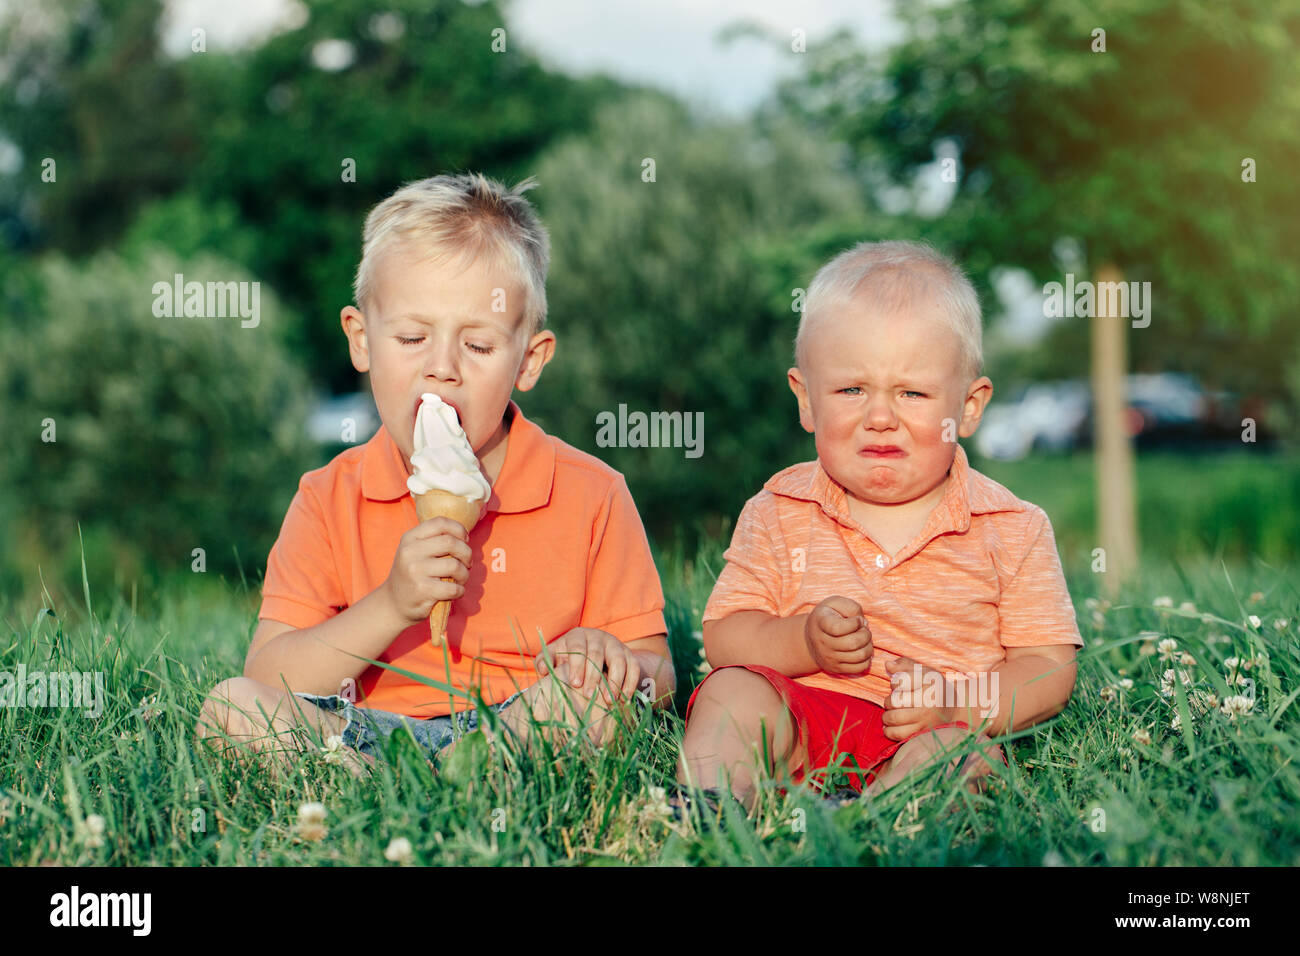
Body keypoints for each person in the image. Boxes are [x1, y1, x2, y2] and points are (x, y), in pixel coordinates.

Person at [197, 173, 674, 776]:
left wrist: (609, 658)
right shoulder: (328, 498)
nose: (441, 368)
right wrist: (392, 605)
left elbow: (656, 679)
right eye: (412, 337)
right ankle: (371, 778)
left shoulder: (592, 493)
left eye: (477, 346)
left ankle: (477, 768)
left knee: (603, 704)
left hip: (522, 720)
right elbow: (269, 674)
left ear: (529, 360)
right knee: (230, 707)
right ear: (361, 340)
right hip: (364, 728)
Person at [678, 239, 1081, 809]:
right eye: (851, 390)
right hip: (803, 721)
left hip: (929, 730)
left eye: (912, 393)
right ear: (806, 400)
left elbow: (1047, 668)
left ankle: (872, 820)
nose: (881, 418)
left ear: (968, 407)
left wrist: (957, 704)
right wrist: (803, 641)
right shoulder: (778, 508)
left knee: (965, 758)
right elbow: (725, 637)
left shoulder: (1012, 527)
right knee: (733, 691)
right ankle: (715, 801)